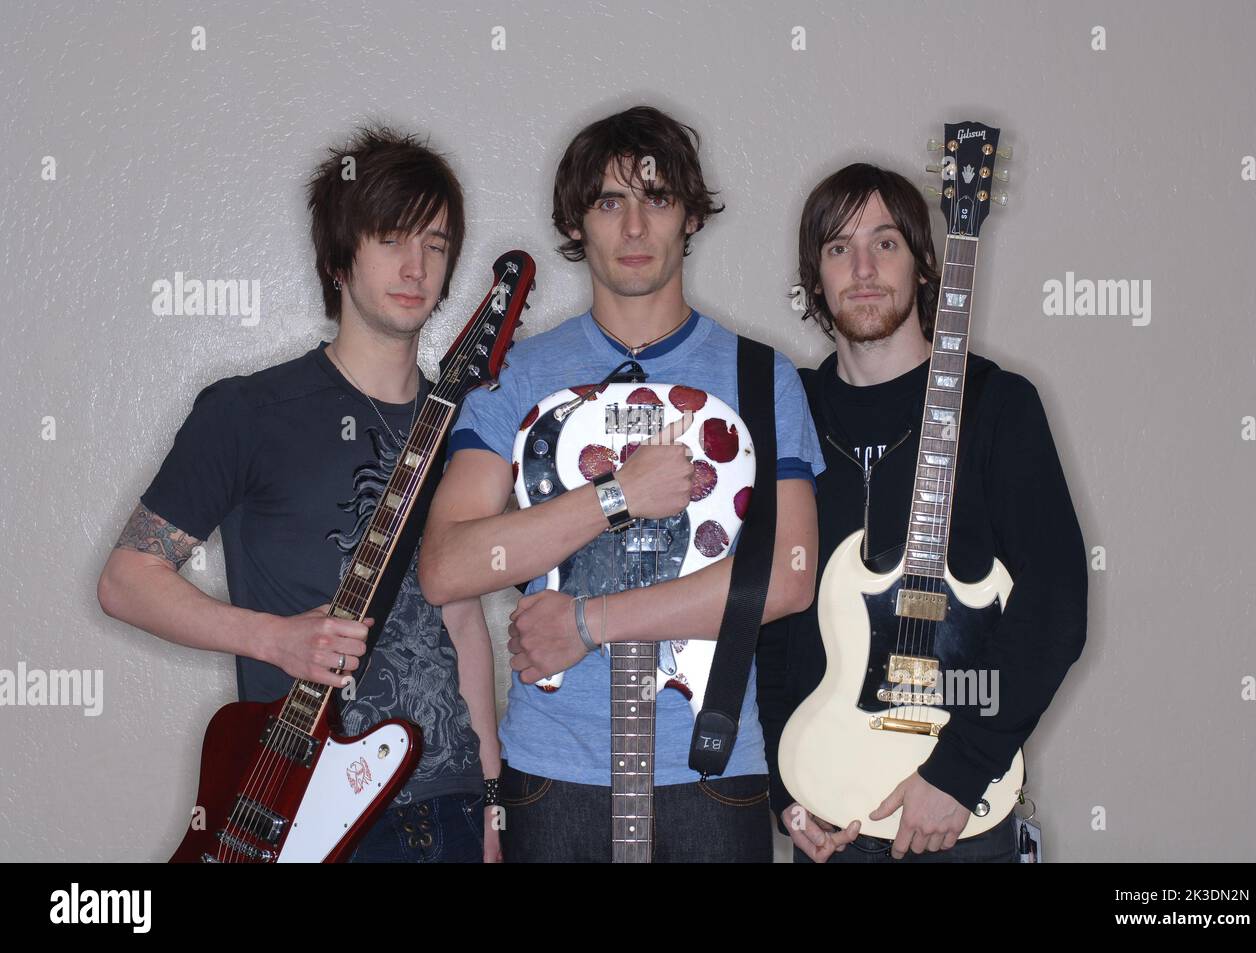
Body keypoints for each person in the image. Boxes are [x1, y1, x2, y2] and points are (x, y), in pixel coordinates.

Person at [419, 105, 825, 862]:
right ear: (577, 222)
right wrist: (618, 496)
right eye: (609, 202)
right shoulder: (516, 380)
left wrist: (589, 621)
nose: (634, 228)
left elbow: (789, 578)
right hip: (552, 774)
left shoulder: (761, 379)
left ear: (691, 217)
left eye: (658, 198)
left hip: (711, 765)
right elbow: (446, 566)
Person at [96, 124, 501, 863]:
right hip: (312, 811)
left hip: (451, 807)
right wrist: (272, 637)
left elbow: (466, 619)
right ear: (338, 258)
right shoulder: (248, 412)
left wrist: (494, 799)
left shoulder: (467, 425)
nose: (416, 265)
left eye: (436, 245)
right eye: (390, 237)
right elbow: (127, 581)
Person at [758, 162, 1087, 863]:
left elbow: (1055, 605)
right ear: (815, 277)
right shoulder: (789, 416)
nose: (865, 267)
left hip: (959, 813)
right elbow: (770, 624)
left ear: (924, 263)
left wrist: (961, 771)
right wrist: (782, 789)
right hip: (829, 812)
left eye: (887, 243)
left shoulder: (999, 406)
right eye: (839, 248)